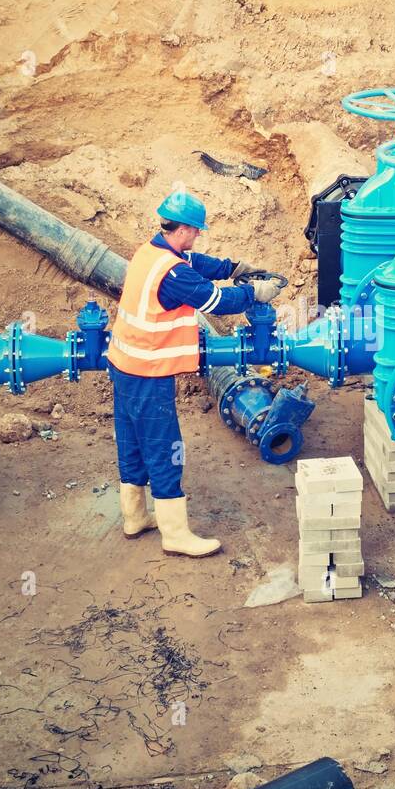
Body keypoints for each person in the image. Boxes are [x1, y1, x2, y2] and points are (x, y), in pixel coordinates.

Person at [107, 189, 280, 557]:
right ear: (183, 228)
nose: (197, 236)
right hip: (148, 372)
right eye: (196, 230)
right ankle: (175, 533)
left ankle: (134, 516)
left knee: (132, 441)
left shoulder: (151, 252)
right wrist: (254, 292)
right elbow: (218, 301)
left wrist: (232, 269)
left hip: (124, 364)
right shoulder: (173, 275)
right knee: (163, 446)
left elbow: (194, 262)